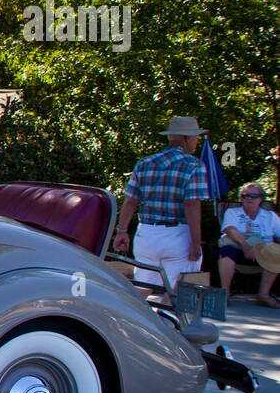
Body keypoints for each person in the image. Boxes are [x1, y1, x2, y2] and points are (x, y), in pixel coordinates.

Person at [112, 116, 211, 299]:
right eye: (195, 137)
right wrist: (196, 242)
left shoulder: (144, 163)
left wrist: (122, 230)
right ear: (186, 138)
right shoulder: (193, 165)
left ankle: (135, 322)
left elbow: (130, 201)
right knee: (178, 291)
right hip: (177, 235)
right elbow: (191, 204)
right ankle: (167, 324)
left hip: (146, 234)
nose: (196, 141)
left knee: (142, 287)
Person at [217, 182, 280, 308]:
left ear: (261, 199)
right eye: (245, 196)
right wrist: (246, 246)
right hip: (238, 247)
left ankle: (263, 295)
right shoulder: (232, 212)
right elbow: (229, 230)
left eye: (253, 196)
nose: (249, 198)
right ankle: (225, 293)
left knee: (276, 253)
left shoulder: (270, 216)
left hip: (262, 250)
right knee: (227, 251)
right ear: (241, 198)